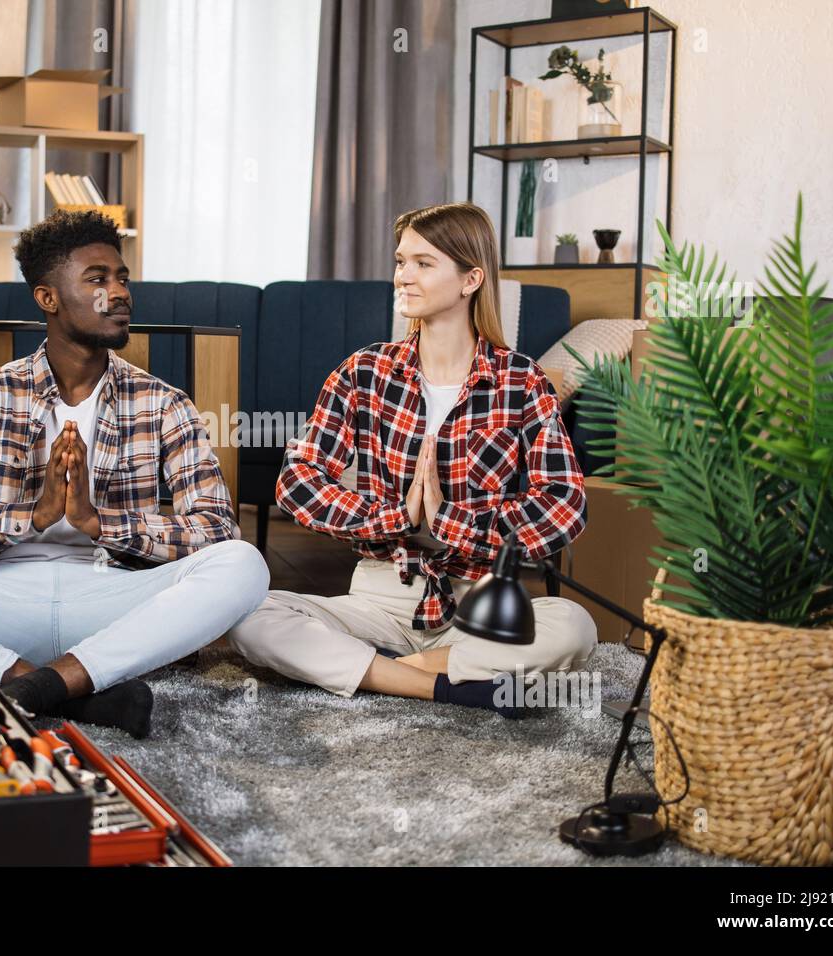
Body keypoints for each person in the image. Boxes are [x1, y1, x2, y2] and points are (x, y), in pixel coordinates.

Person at [0, 210, 269, 738]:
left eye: (122, 279)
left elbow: (217, 531)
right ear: (48, 298)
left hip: (111, 600)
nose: (119, 294)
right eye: (98, 279)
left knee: (244, 564)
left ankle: (39, 685)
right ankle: (56, 687)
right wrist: (30, 517)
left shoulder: (165, 404)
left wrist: (100, 524)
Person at [226, 202, 596, 715]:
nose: (403, 276)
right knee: (249, 615)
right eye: (401, 261)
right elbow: (298, 481)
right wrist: (397, 518)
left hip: (480, 602)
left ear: (471, 279)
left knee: (574, 624)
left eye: (424, 263)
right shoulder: (364, 372)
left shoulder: (522, 382)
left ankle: (383, 672)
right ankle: (442, 683)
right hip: (381, 598)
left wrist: (452, 522)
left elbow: (564, 504)